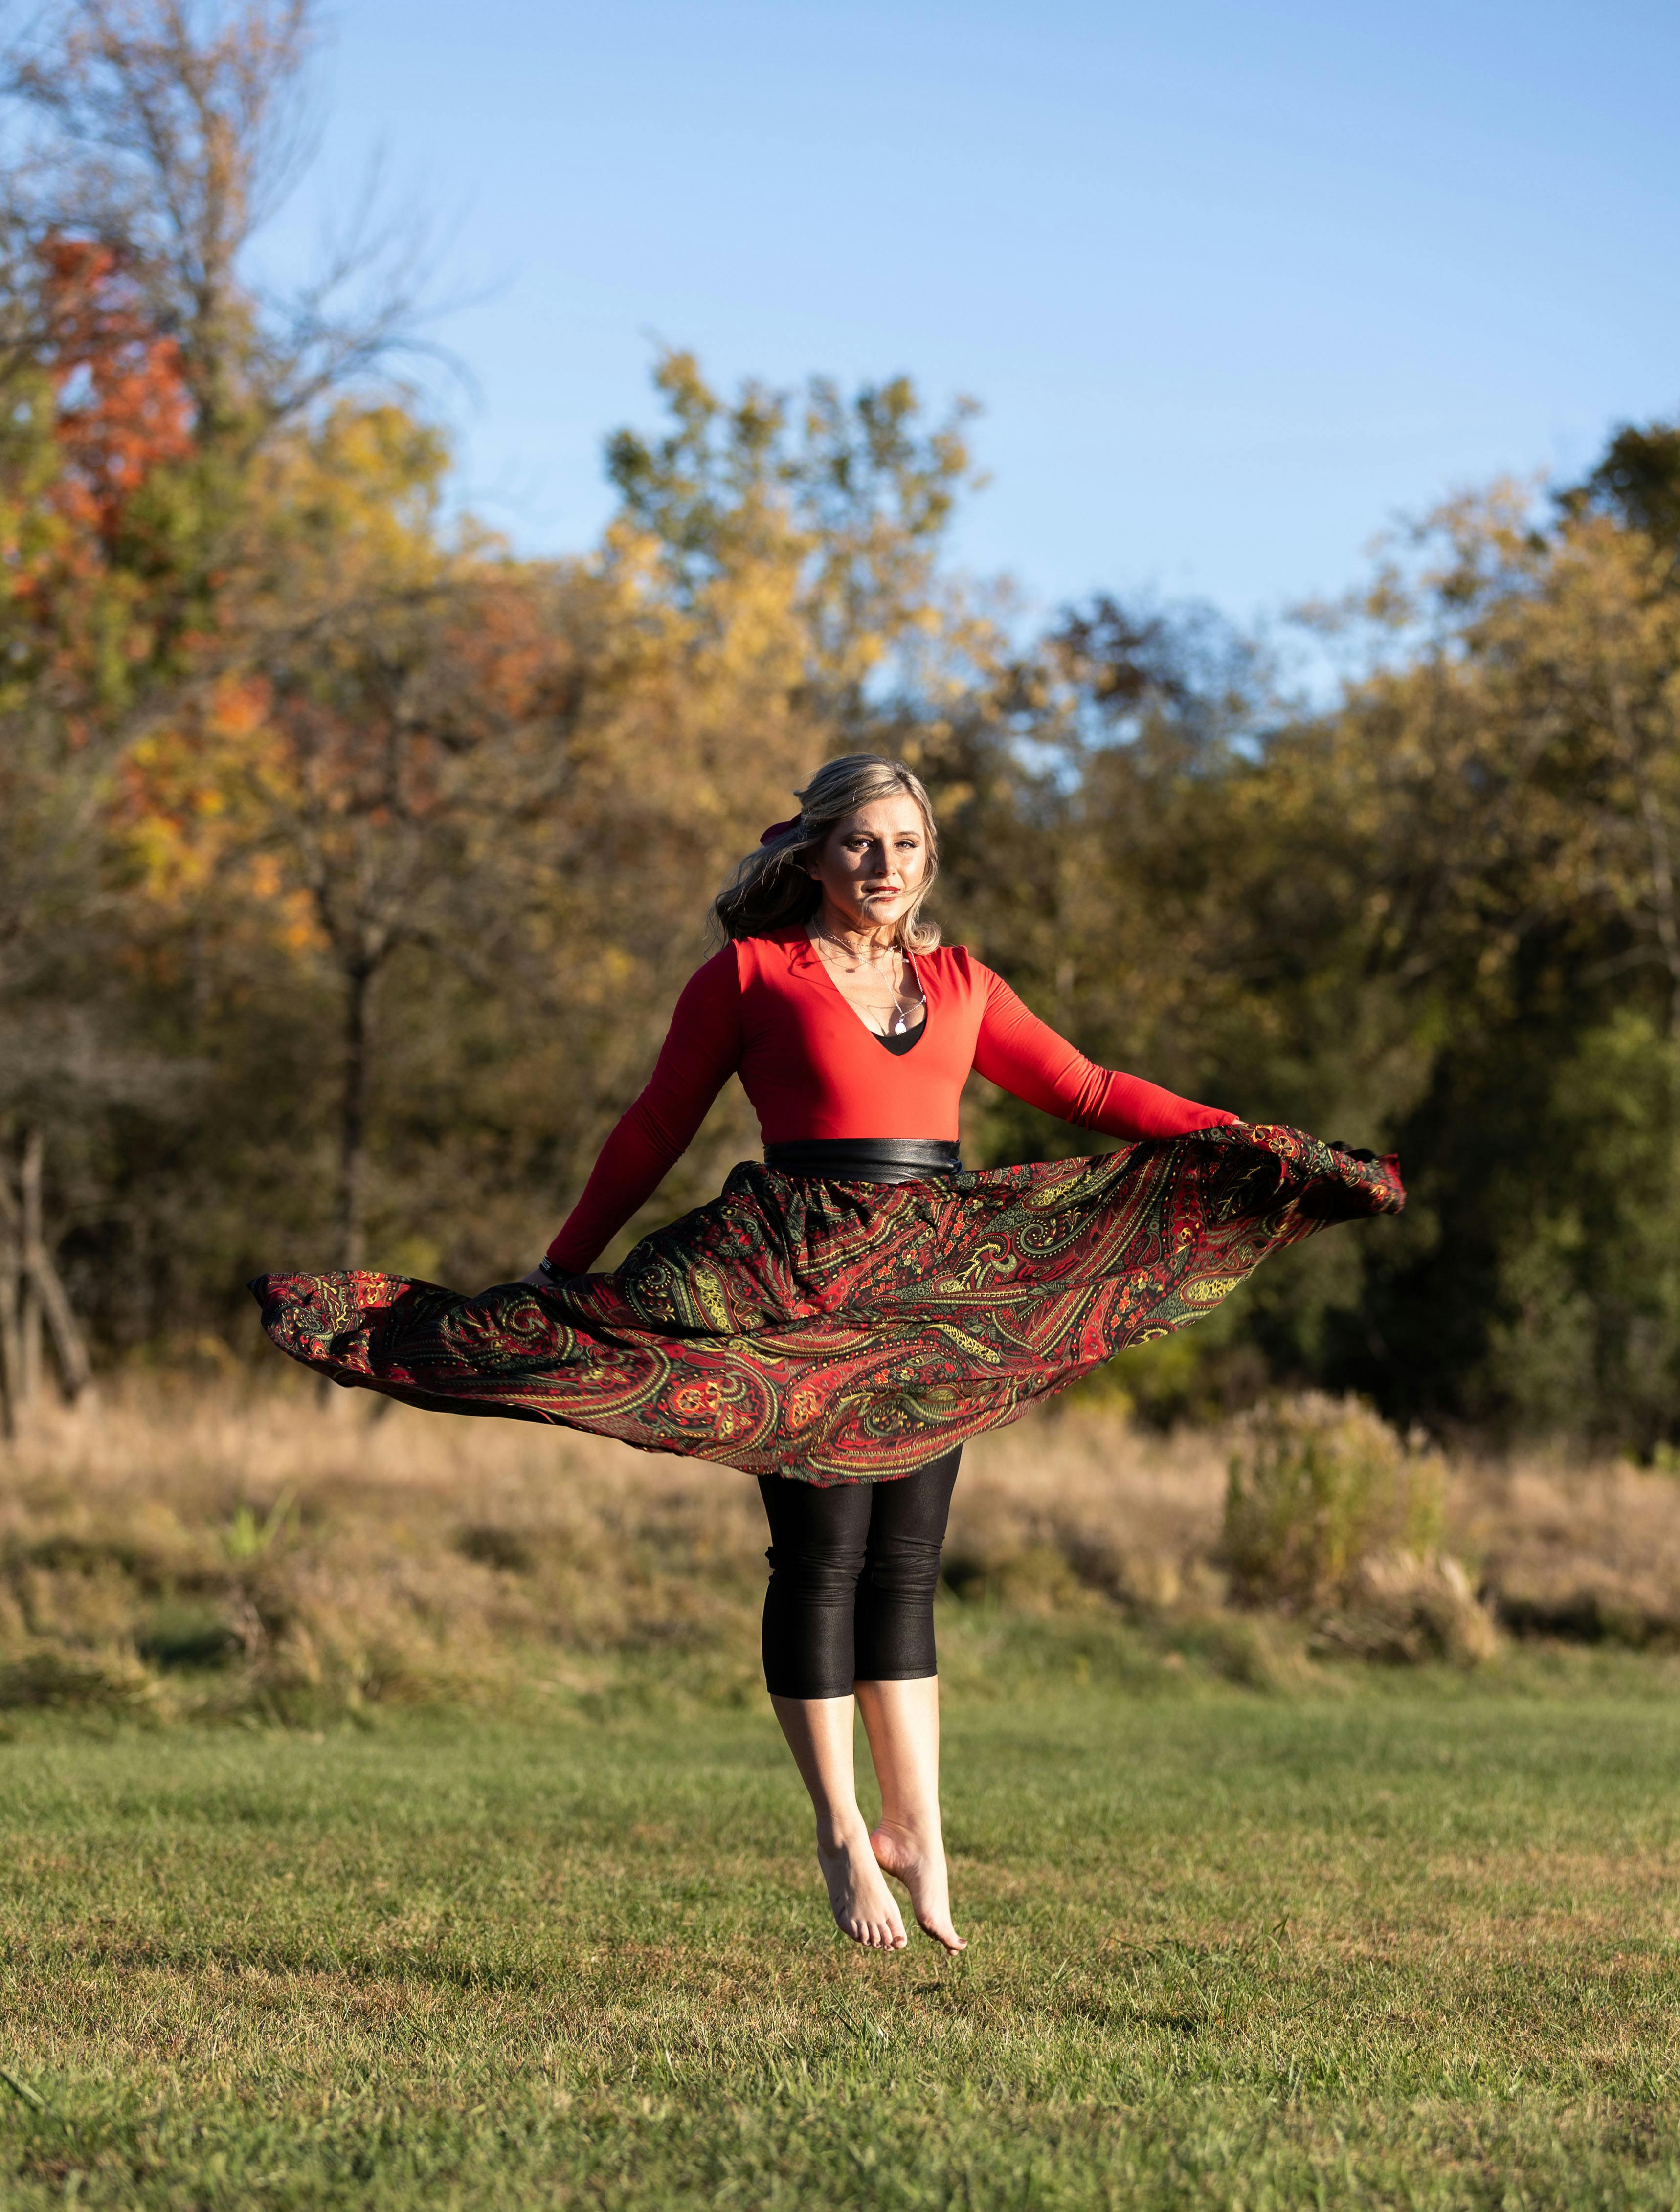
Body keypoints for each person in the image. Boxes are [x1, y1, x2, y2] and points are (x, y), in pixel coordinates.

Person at [252, 754, 1403, 1954]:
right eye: (860, 842)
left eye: (905, 845)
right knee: (821, 1558)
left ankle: (919, 1831)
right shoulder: (749, 975)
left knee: (905, 1565)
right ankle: (842, 1832)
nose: (883, 866)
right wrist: (563, 1262)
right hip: (790, 1277)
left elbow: (1087, 1088)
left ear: (928, 858)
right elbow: (656, 1125)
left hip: (930, 1289)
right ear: (810, 853)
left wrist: (1255, 1143)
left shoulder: (961, 982)